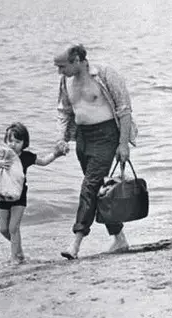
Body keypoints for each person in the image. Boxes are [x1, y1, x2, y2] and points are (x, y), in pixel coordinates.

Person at [54, 44, 138, 260]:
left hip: (107, 135)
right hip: (83, 138)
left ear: (78, 60)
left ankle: (76, 242)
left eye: (63, 66)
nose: (59, 72)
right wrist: (62, 139)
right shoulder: (66, 81)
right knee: (98, 189)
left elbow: (124, 108)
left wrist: (123, 144)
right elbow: (64, 111)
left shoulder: (104, 74)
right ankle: (119, 238)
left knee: (89, 186)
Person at [0, 122, 67, 265]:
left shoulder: (27, 156)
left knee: (13, 228)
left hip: (19, 197)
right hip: (2, 195)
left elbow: (43, 162)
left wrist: (56, 154)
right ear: (5, 141)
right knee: (3, 228)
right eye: (10, 141)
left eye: (17, 141)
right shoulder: (2, 155)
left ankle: (14, 259)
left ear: (24, 142)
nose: (13, 144)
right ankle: (19, 253)